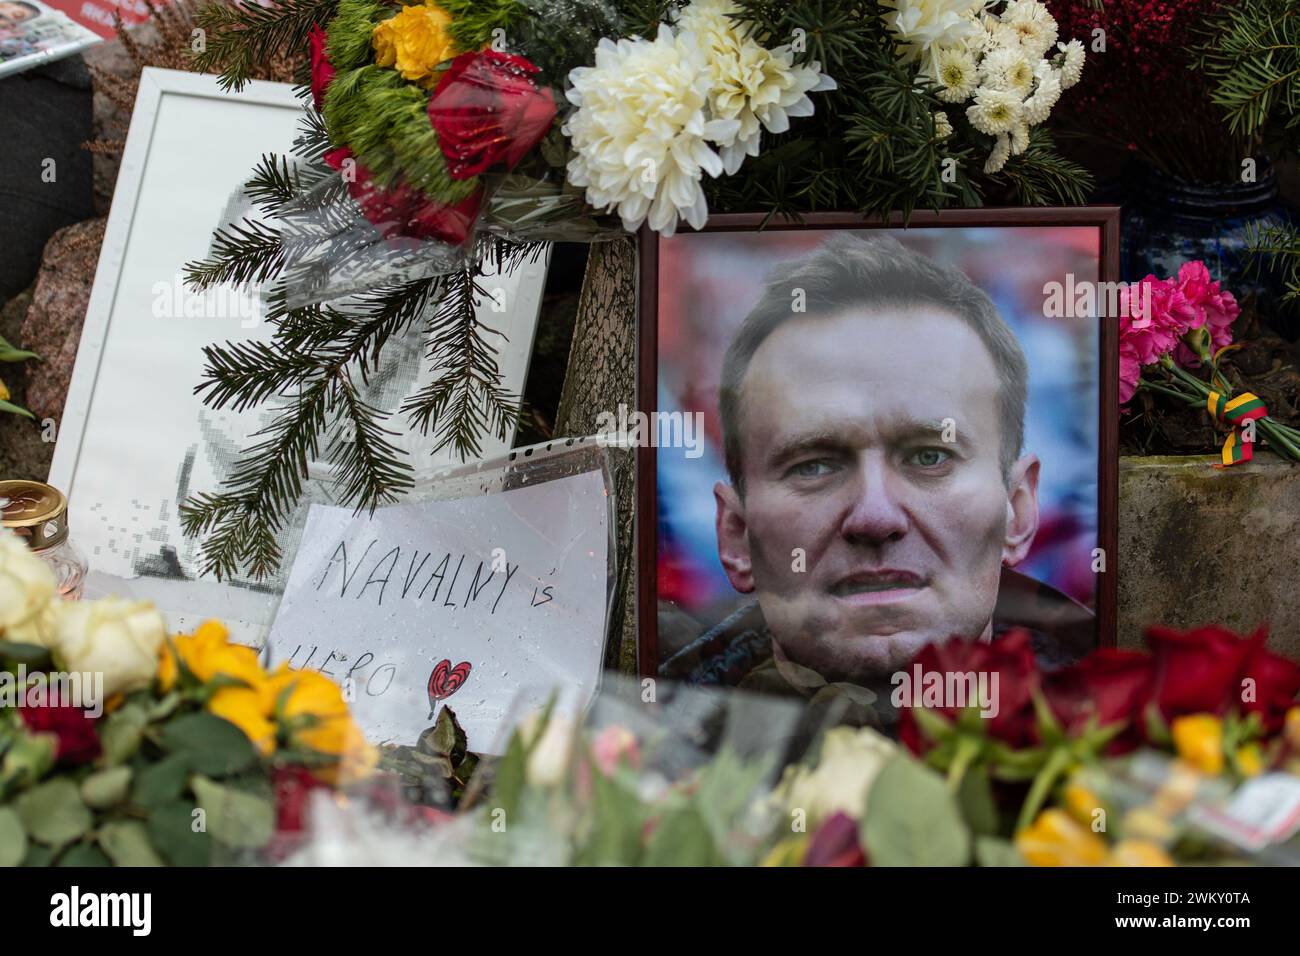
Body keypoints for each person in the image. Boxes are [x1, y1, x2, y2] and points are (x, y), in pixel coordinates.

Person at [660, 234, 1095, 700]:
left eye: (930, 457)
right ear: (736, 533)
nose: (875, 516)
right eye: (814, 466)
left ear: (1018, 511)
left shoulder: (1130, 746)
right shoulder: (648, 753)